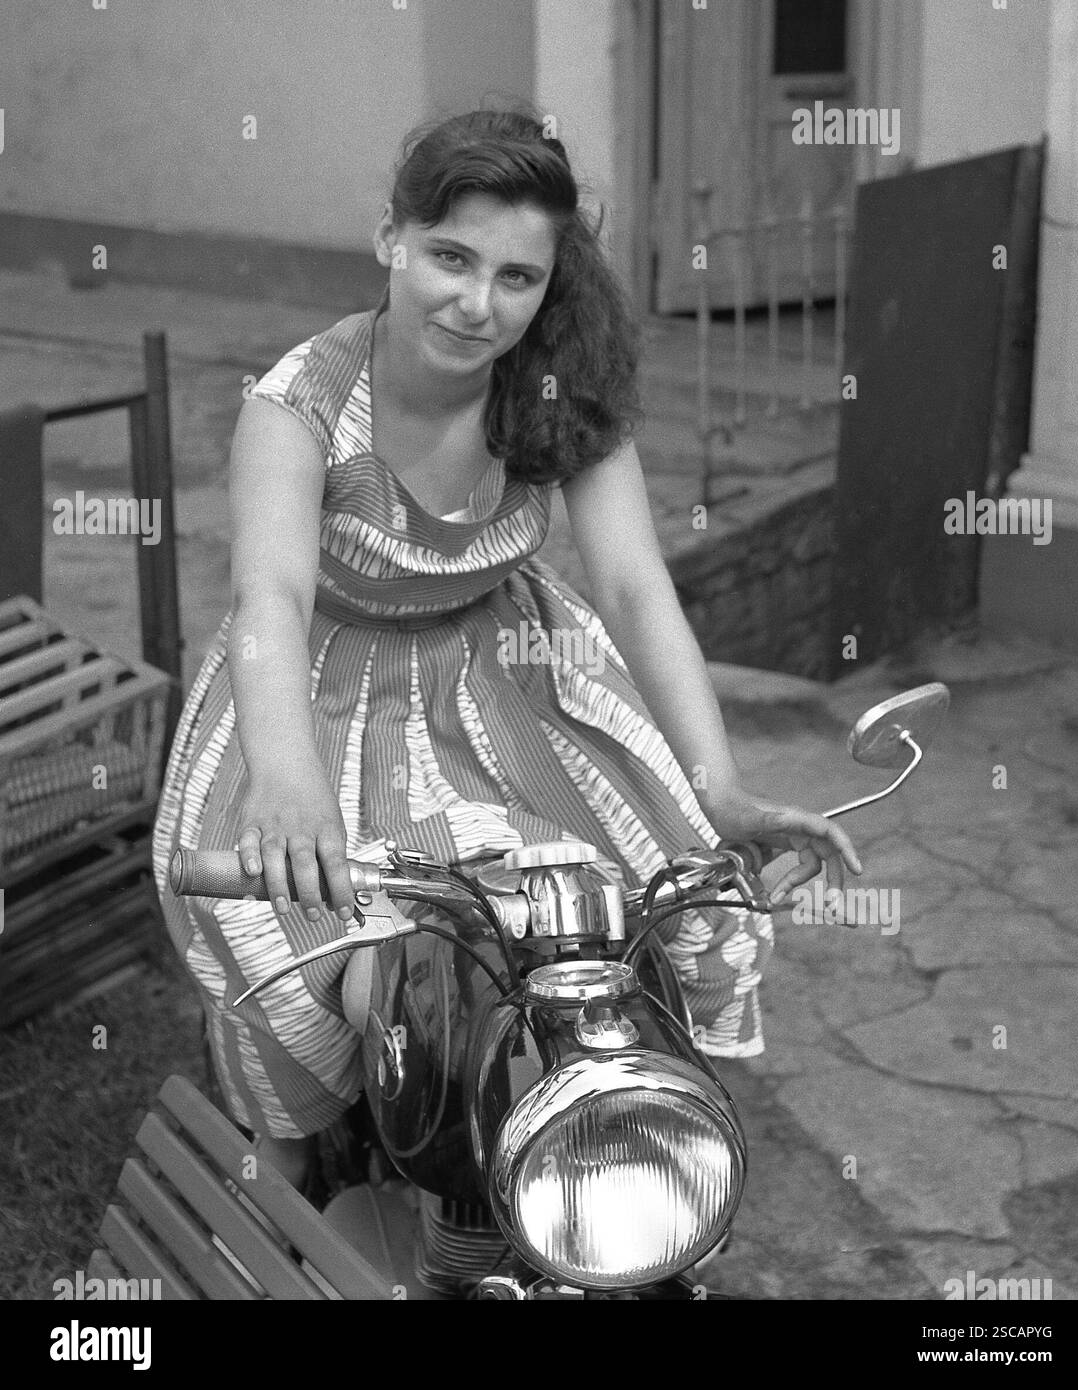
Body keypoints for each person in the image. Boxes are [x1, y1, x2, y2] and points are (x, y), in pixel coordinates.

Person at [151, 105, 860, 1190]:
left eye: (516, 278)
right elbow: (272, 597)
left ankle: (592, 1162)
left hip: (510, 675)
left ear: (548, 283)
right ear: (389, 236)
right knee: (297, 954)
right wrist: (286, 782)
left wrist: (717, 785)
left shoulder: (557, 386)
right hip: (315, 687)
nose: (478, 304)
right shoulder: (300, 402)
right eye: (448, 257)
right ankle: (287, 1177)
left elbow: (632, 586)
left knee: (633, 919)